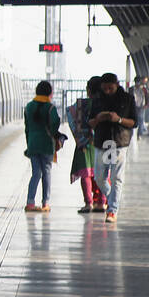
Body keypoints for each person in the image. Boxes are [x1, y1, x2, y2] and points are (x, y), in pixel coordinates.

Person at [88, 71, 137, 224]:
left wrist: (119, 119)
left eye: (110, 88)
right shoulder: (97, 100)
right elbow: (90, 122)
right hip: (102, 141)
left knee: (117, 177)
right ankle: (112, 199)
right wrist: (98, 118)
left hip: (119, 141)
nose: (107, 91)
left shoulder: (127, 99)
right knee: (99, 177)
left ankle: (112, 210)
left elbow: (134, 122)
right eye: (105, 89)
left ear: (117, 85)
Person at [23, 80, 64, 213]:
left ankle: (30, 203)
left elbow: (27, 128)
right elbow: (54, 125)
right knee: (46, 173)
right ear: (50, 93)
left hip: (33, 144)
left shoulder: (29, 106)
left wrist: (28, 144)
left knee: (35, 174)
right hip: (46, 144)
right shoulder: (50, 108)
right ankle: (45, 203)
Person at [68, 77, 106, 213]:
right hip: (102, 143)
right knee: (102, 173)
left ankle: (88, 203)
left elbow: (70, 113)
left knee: (86, 174)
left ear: (88, 90)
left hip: (84, 144)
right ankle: (101, 203)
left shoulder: (80, 105)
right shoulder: (105, 104)